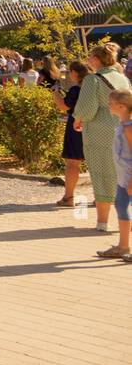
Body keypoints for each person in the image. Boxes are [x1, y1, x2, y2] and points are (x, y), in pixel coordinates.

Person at [73, 43, 132, 233]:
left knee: (102, 174)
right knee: (123, 173)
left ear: (98, 59)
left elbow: (87, 109)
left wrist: (78, 119)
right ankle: (126, 222)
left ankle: (102, 222)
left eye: (90, 57)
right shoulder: (122, 78)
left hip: (99, 131)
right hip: (122, 127)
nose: (88, 60)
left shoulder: (93, 80)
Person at [95, 90, 132, 260]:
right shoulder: (122, 124)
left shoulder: (129, 127)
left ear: (121, 106)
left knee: (123, 206)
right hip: (123, 176)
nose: (108, 105)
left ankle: (124, 246)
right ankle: (123, 246)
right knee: (121, 206)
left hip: (129, 177)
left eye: (110, 102)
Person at [55, 60, 89, 207]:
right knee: (96, 163)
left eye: (70, 71)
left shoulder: (76, 89)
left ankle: (69, 197)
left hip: (76, 126)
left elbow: (63, 106)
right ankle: (101, 197)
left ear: (75, 73)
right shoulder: (91, 88)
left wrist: (55, 93)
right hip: (93, 125)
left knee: (73, 162)